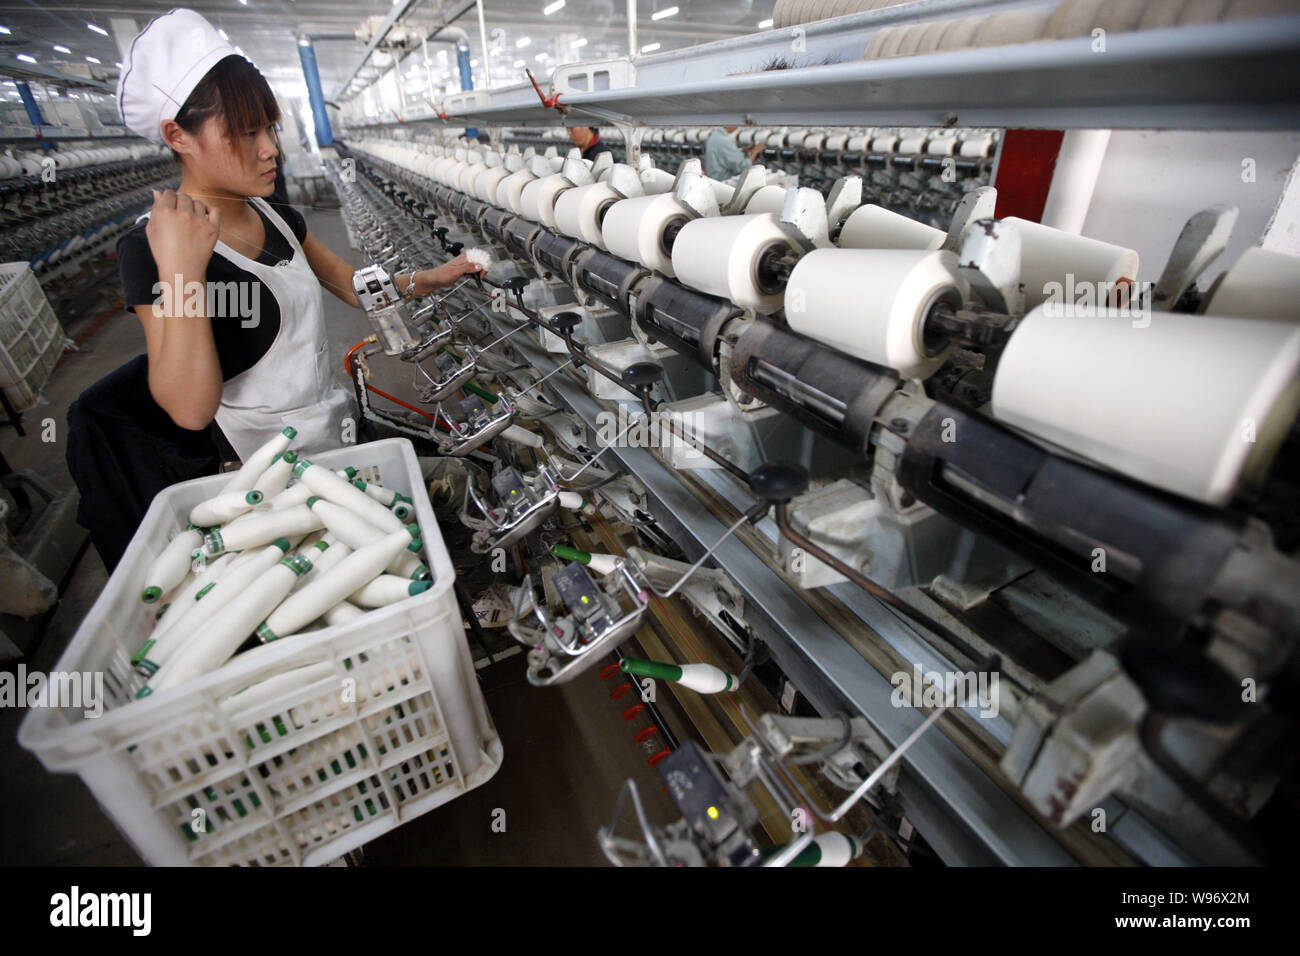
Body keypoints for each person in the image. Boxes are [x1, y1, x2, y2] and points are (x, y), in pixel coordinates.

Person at [66, 8, 483, 571]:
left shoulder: (277, 216)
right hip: (267, 488)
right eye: (245, 133)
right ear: (176, 136)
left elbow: (349, 284)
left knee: (451, 491)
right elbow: (188, 408)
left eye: (270, 128)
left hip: (331, 435)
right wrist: (183, 269)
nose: (270, 150)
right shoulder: (151, 250)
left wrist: (430, 278)